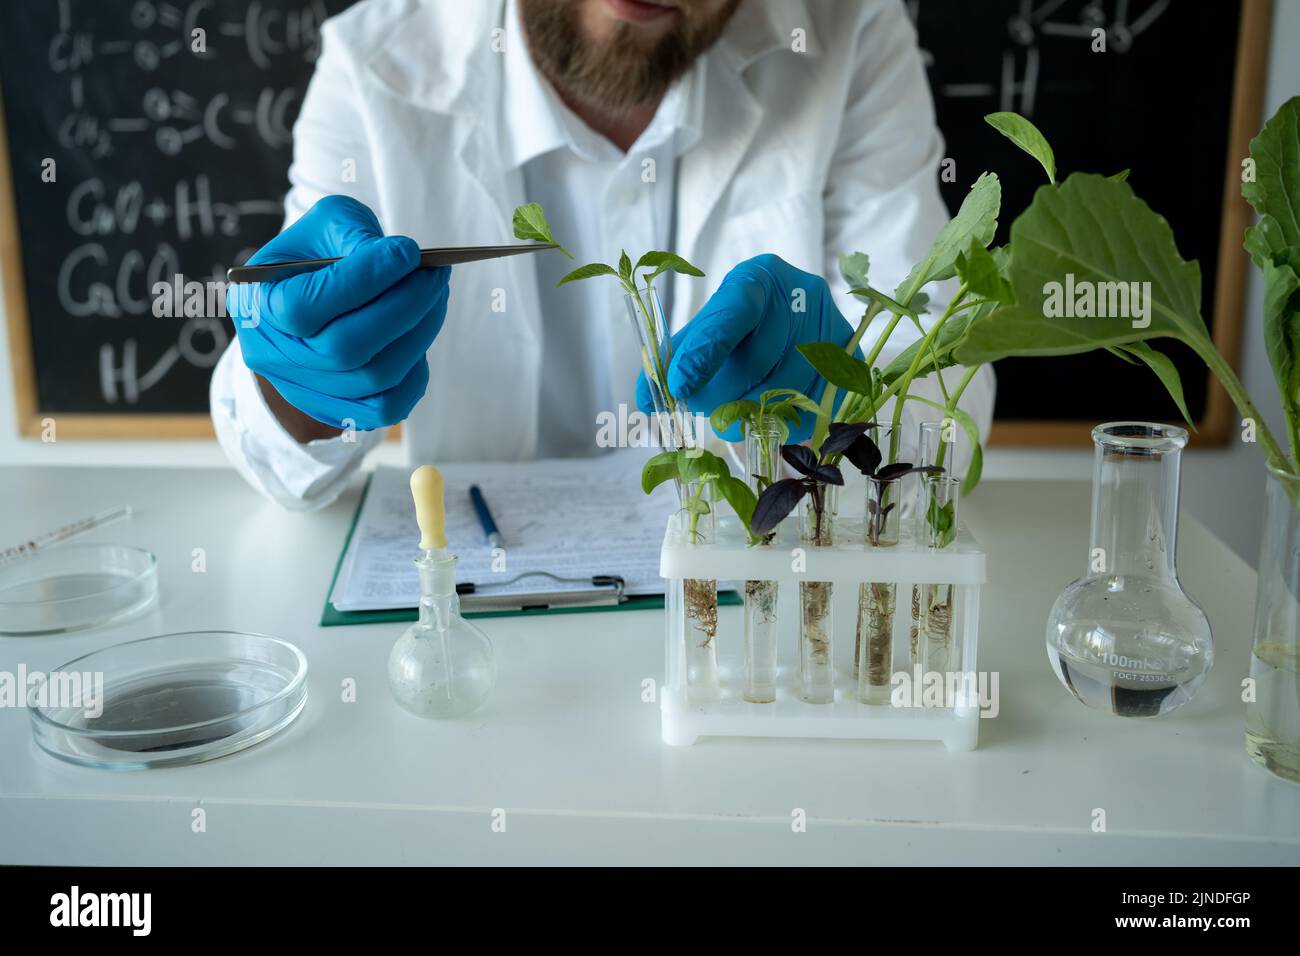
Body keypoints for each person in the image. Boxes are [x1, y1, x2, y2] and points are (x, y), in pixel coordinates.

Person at [211, 0, 994, 510]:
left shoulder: (847, 34)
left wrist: (853, 392)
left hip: (752, 611)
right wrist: (298, 389)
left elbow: (945, 390)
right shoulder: (375, 63)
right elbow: (280, 463)